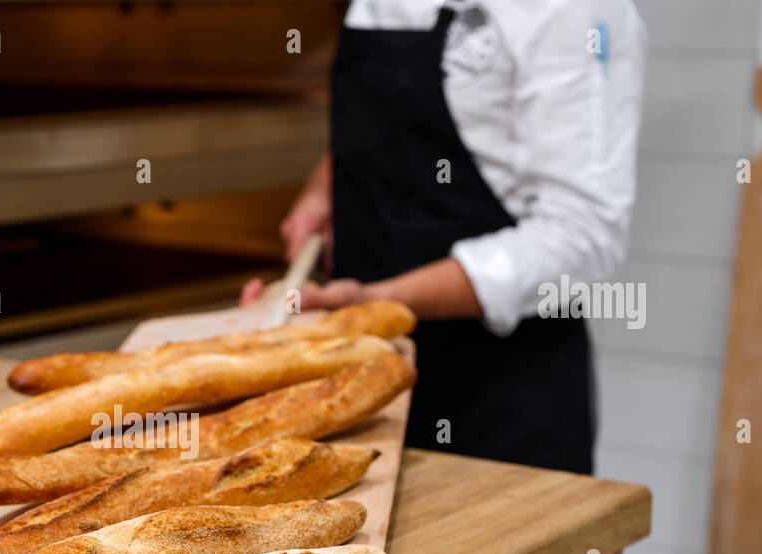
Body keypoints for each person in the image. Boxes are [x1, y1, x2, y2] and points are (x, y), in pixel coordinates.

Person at [241, 0, 646, 474]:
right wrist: (328, 183)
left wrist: (378, 302)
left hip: (499, 406)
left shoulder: (576, 12)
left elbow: (583, 233)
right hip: (359, 387)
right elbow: (387, 114)